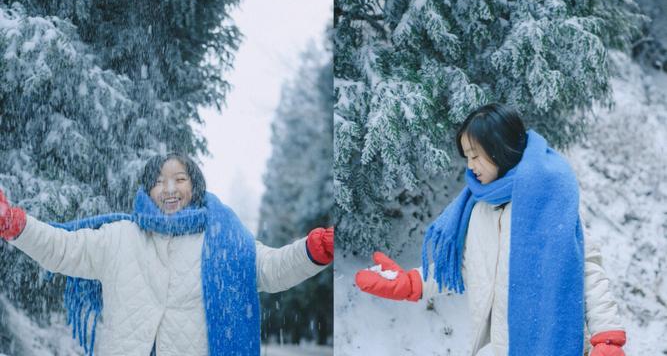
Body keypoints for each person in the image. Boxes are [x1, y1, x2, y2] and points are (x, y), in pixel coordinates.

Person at [355, 103, 625, 356]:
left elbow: (586, 267)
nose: (470, 166)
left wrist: (607, 336)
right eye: (467, 157)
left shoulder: (549, 196)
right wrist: (412, 282)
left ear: (501, 149)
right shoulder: (481, 206)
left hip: (553, 341)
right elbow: (465, 264)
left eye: (475, 155)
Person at [0, 152, 334, 356]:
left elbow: (271, 269)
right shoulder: (119, 237)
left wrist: (314, 249)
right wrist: (16, 224)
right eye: (159, 181)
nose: (170, 188)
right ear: (147, 190)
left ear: (195, 186)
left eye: (179, 179)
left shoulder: (223, 240)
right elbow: (61, 248)